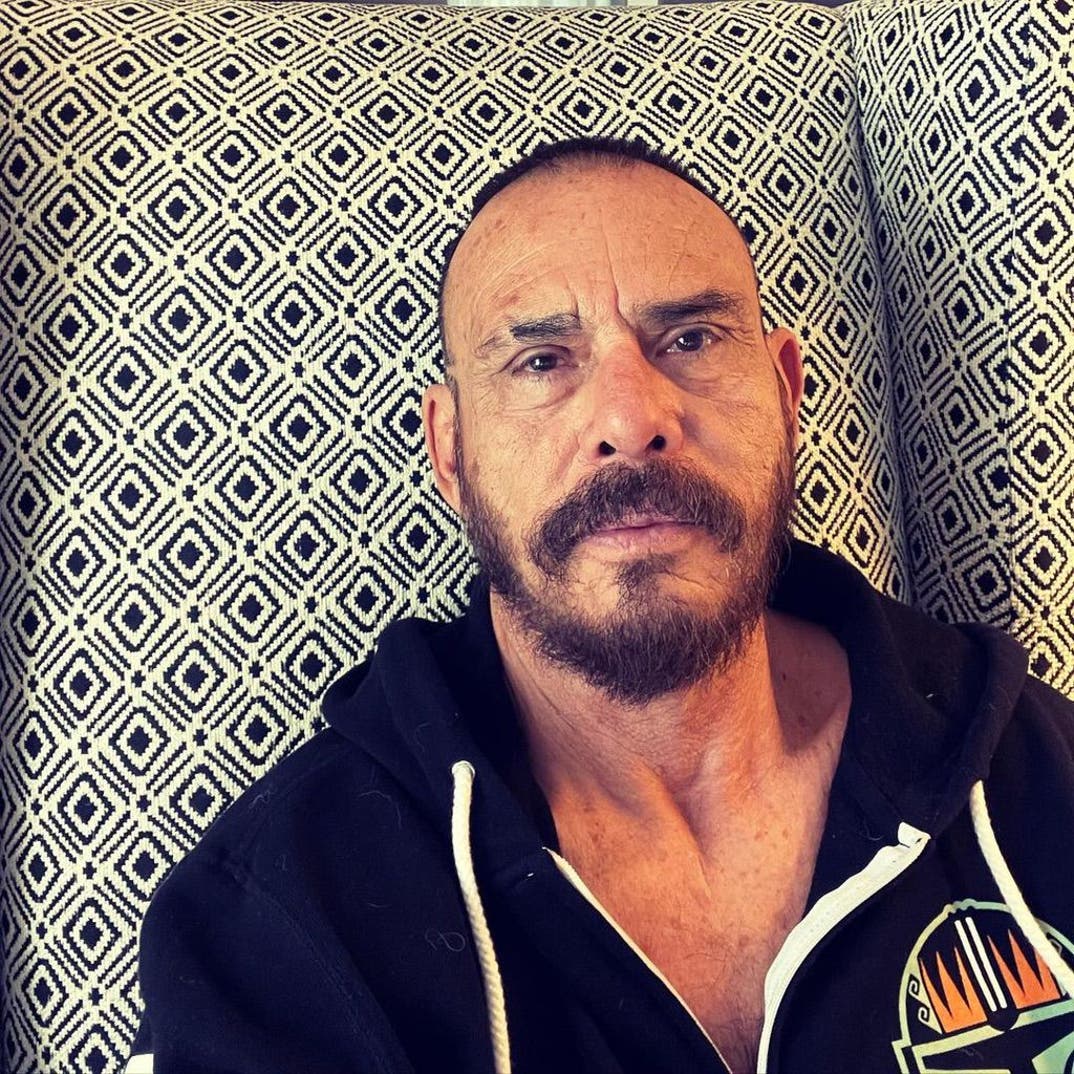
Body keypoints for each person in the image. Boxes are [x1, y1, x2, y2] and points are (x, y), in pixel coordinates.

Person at [127, 136, 1074, 1074]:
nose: (630, 420)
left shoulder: (1039, 769)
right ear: (452, 452)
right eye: (542, 361)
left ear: (786, 395)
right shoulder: (282, 925)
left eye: (691, 340)